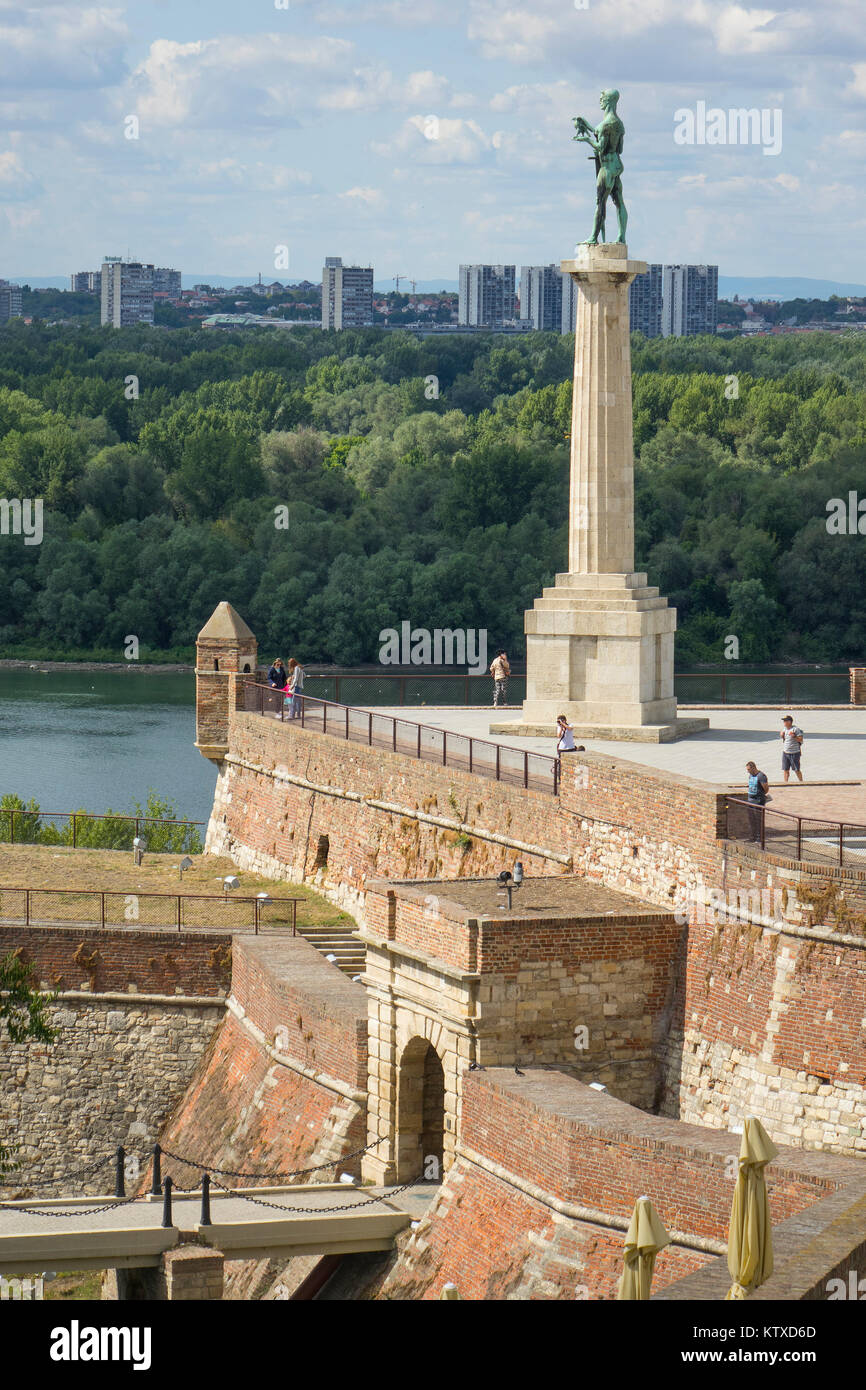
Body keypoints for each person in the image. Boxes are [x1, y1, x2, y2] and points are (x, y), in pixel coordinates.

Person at [745, 760, 769, 843]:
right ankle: (752, 836)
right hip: (750, 800)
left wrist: (760, 795)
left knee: (759, 820)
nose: (748, 771)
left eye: (749, 769)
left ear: (753, 768)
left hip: (758, 800)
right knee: (752, 820)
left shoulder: (761, 776)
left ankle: (759, 838)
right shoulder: (750, 776)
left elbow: (766, 789)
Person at [780, 715, 804, 783]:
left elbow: (800, 739)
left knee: (796, 769)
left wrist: (794, 736)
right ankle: (785, 782)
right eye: (784, 721)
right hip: (785, 752)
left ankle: (801, 782)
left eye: (785, 721)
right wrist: (781, 735)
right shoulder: (784, 729)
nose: (784, 722)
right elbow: (782, 735)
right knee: (785, 769)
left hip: (794, 753)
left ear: (789, 722)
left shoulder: (795, 729)